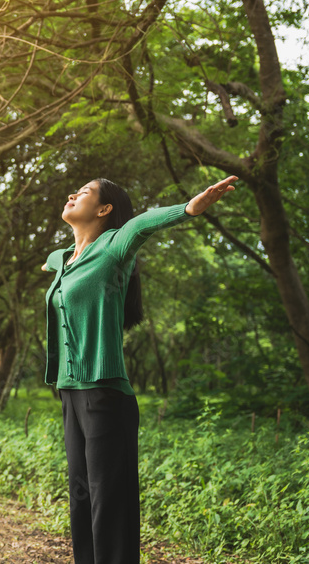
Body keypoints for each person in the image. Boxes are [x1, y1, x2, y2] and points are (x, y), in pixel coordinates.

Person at [42, 175, 238, 564]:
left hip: (105, 395)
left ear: (104, 209)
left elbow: (142, 223)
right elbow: (55, 269)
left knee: (108, 502)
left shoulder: (115, 246)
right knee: (81, 499)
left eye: (83, 193)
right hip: (70, 392)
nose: (71, 195)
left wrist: (188, 209)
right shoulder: (62, 260)